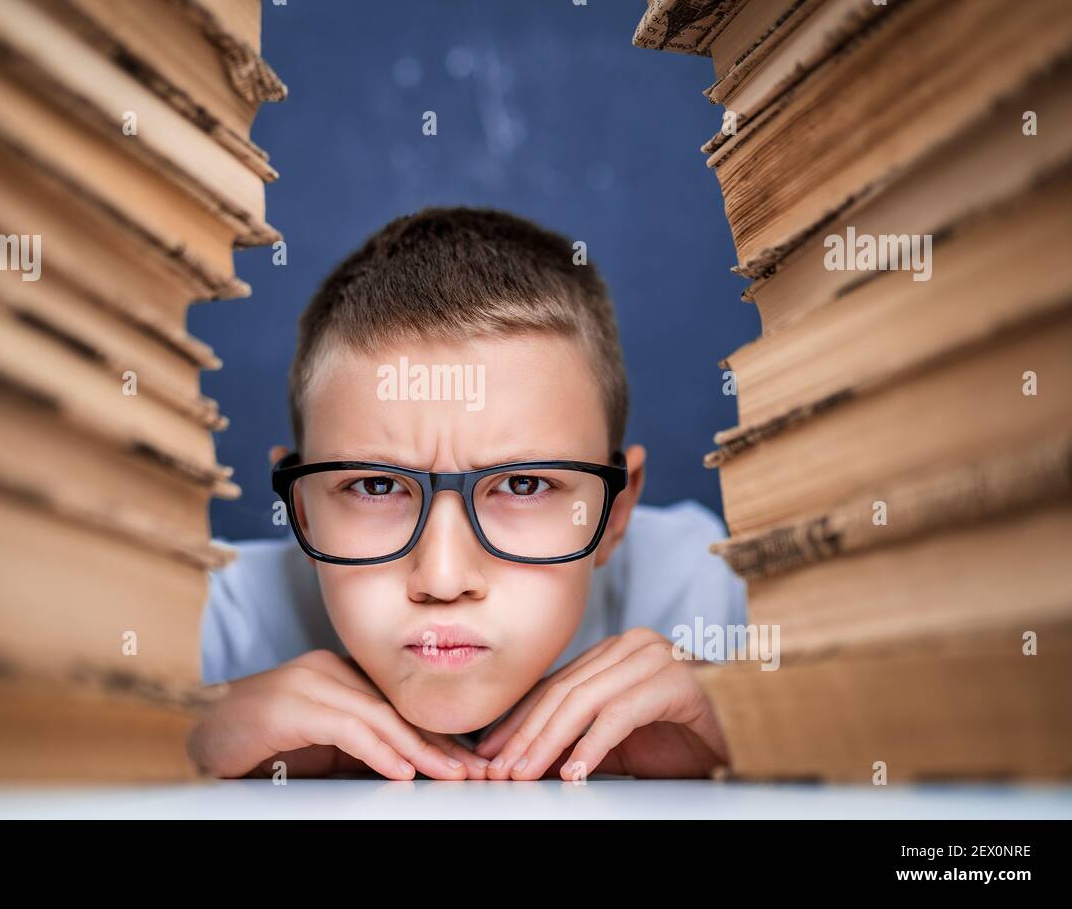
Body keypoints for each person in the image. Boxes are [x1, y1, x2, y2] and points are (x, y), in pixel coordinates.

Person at [188, 207, 746, 780]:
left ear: (615, 511)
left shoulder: (699, 589)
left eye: (524, 484)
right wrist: (188, 735)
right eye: (377, 485)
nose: (443, 579)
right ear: (302, 511)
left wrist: (751, 729)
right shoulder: (209, 616)